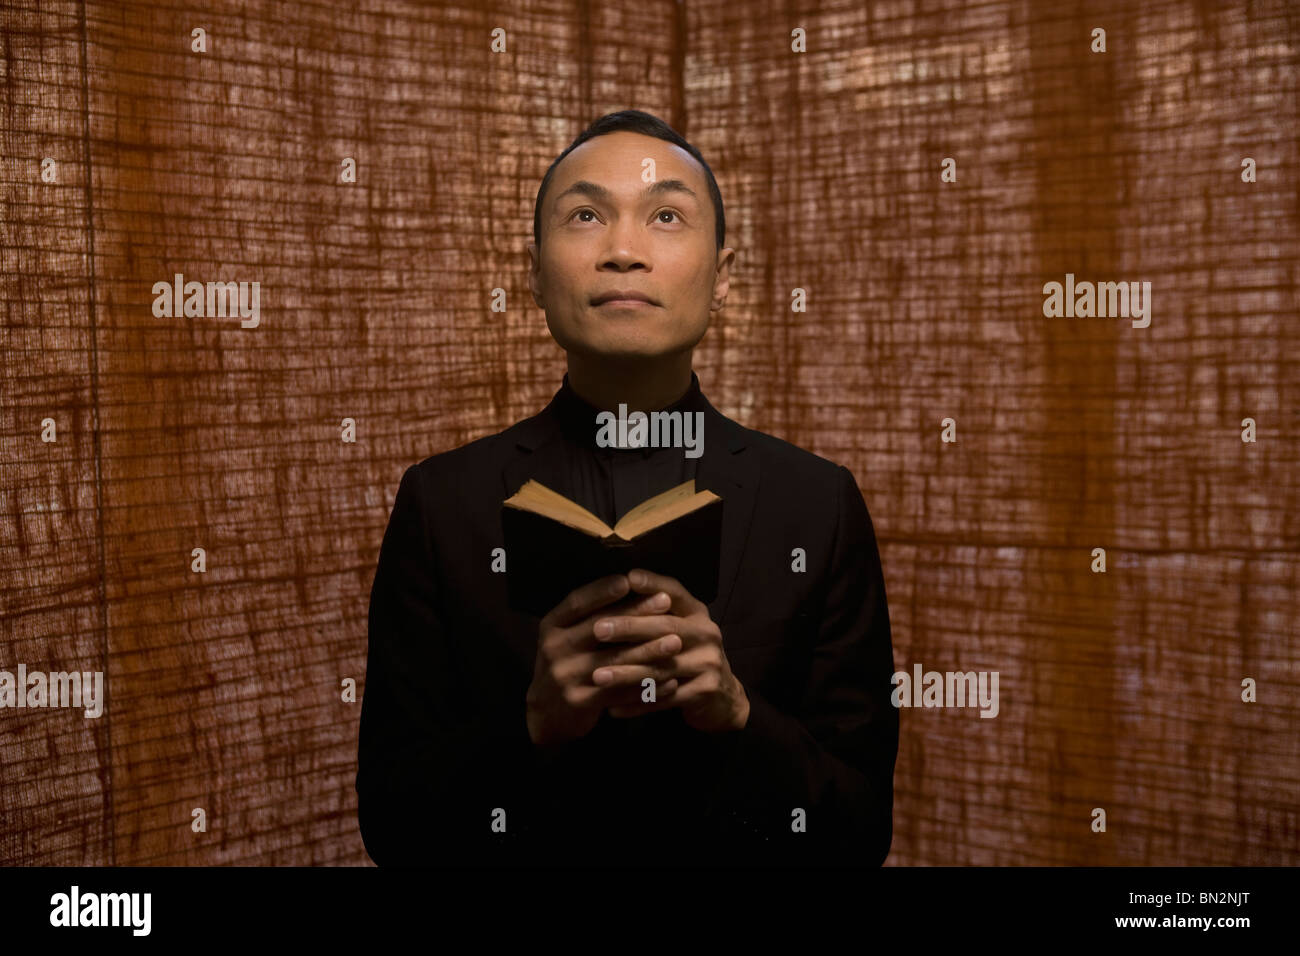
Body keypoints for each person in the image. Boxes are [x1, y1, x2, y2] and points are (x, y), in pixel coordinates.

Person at [356, 109, 898, 867]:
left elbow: (861, 832)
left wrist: (738, 715)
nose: (622, 251)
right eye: (585, 216)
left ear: (723, 275)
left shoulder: (817, 504)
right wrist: (533, 724)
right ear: (536, 274)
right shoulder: (442, 503)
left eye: (666, 216)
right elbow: (393, 827)